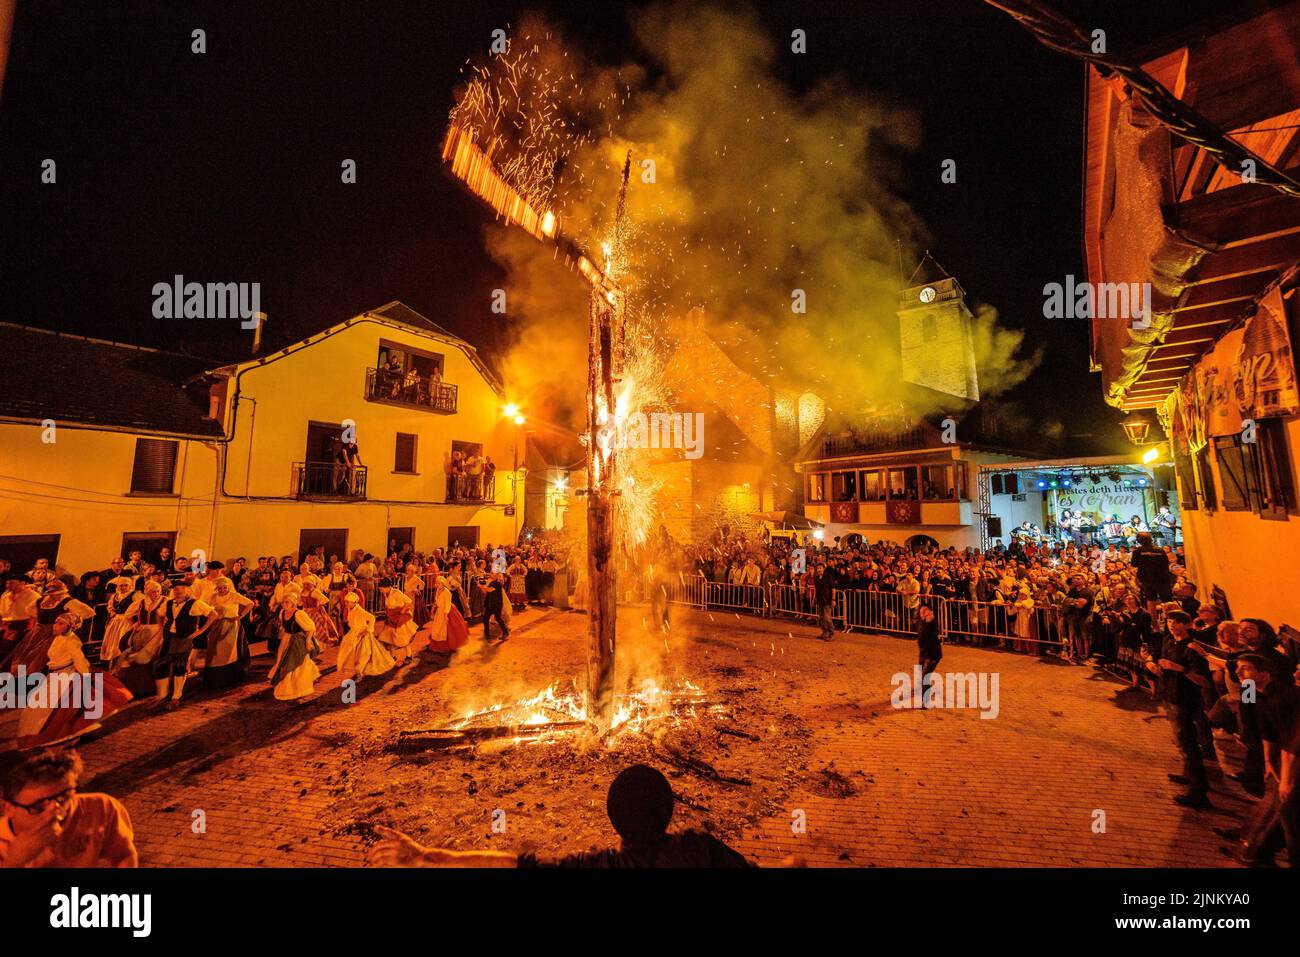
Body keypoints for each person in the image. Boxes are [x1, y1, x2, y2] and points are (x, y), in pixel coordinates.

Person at [371, 764, 752, 868]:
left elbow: (507, 864)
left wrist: (425, 857)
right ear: (670, 810)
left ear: (613, 818)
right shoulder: (700, 850)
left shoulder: (603, 865)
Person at [0, 749, 137, 867]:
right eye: (39, 805)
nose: (56, 811)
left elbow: (123, 854)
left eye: (64, 796)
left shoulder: (99, 807)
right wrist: (15, 862)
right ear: (8, 808)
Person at [15, 613, 133, 751]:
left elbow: (79, 660)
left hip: (65, 677)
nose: (55, 626)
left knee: (53, 709)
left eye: (61, 623)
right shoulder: (57, 638)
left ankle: (59, 737)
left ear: (69, 626)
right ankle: (53, 736)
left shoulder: (72, 641)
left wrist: (85, 678)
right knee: (39, 708)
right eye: (56, 622)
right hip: (53, 676)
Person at [1151, 611, 1215, 809]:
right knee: (1181, 742)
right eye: (1170, 621)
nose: (1172, 625)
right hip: (1169, 694)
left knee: (1187, 743)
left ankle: (1199, 790)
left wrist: (1181, 669)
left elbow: (1205, 681)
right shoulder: (1168, 641)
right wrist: (1154, 666)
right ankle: (1188, 774)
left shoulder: (1193, 648)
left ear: (1187, 625)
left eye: (1178, 622)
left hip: (1185, 698)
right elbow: (1159, 660)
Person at [154, 576, 216, 709]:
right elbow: (159, 614)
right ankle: (162, 695)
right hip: (169, 637)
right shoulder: (169, 603)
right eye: (176, 591)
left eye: (181, 591)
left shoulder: (195, 603)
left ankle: (176, 697)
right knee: (160, 664)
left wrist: (200, 631)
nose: (178, 593)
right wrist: (161, 627)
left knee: (179, 667)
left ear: (188, 592)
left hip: (184, 638)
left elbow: (213, 614)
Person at [268, 587, 321, 702]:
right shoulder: (282, 613)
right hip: (287, 639)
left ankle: (296, 690)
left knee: (295, 664)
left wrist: (307, 641)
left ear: (293, 603)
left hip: (298, 641)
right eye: (283, 602)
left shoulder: (299, 614)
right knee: (282, 660)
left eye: (287, 602)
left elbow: (311, 627)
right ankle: (309, 678)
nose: (284, 604)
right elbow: (284, 627)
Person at [203, 577, 253, 690]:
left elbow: (250, 604)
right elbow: (210, 610)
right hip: (216, 626)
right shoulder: (213, 597)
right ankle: (215, 678)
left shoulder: (234, 595)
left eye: (224, 587)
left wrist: (241, 615)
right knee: (214, 652)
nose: (222, 590)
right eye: (219, 588)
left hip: (230, 625)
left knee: (228, 651)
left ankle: (229, 678)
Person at [336, 592, 395, 682]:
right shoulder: (350, 609)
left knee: (362, 654)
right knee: (352, 653)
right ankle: (358, 672)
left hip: (362, 634)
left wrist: (367, 630)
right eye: (346, 602)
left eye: (348, 602)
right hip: (353, 633)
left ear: (353, 602)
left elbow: (372, 618)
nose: (346, 604)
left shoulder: (359, 611)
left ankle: (359, 673)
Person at [915, 605, 941, 708]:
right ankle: (928, 689)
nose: (923, 612)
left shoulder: (932, 623)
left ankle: (925, 702)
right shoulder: (921, 622)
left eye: (926, 610)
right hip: (923, 653)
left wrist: (930, 617)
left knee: (925, 677)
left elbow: (932, 623)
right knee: (922, 675)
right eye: (922, 610)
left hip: (932, 654)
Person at [480, 572, 509, 642]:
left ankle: (505, 632)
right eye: (491, 573)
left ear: (496, 575)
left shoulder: (498, 584)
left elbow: (489, 590)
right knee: (486, 618)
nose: (490, 574)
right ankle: (487, 635)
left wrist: (480, 586)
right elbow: (486, 591)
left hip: (496, 604)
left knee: (498, 618)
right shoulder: (492, 582)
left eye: (492, 574)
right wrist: (481, 586)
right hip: (490, 604)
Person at [813, 564, 835, 641]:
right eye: (818, 568)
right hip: (820, 600)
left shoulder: (828, 576)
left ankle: (831, 633)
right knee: (821, 618)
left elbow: (833, 588)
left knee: (827, 618)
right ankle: (824, 632)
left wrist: (833, 599)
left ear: (823, 569)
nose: (819, 569)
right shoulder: (816, 578)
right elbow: (816, 589)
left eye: (820, 568)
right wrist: (814, 598)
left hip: (827, 600)